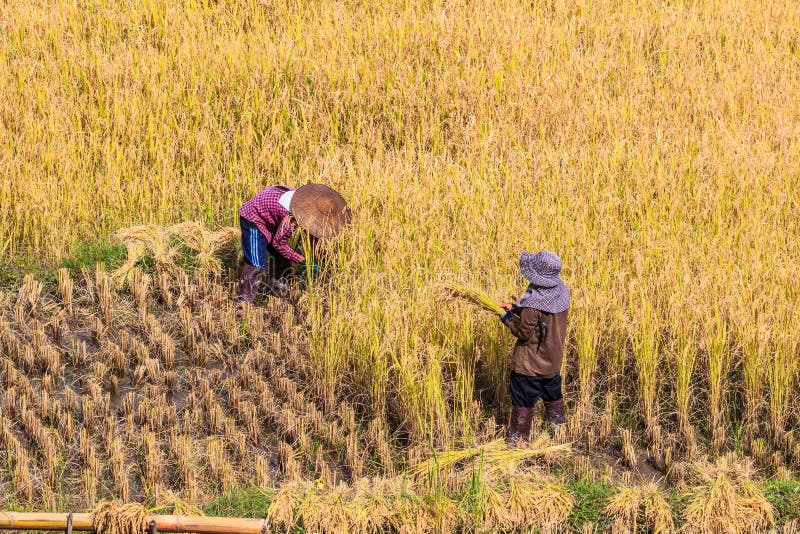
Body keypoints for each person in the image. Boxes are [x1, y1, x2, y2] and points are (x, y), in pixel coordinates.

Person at [499, 250, 570, 444]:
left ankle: (518, 440)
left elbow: (524, 333)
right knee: (553, 396)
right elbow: (541, 318)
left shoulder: (532, 306)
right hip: (552, 363)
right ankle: (560, 432)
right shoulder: (561, 292)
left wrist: (507, 320)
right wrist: (516, 309)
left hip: (529, 367)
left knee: (523, 402)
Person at [237, 183, 350, 303]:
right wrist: (302, 261)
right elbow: (278, 244)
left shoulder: (308, 205)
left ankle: (277, 292)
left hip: (273, 219)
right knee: (256, 264)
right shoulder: (291, 216)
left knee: (281, 258)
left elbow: (313, 235)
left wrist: (323, 259)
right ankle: (242, 303)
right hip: (255, 219)